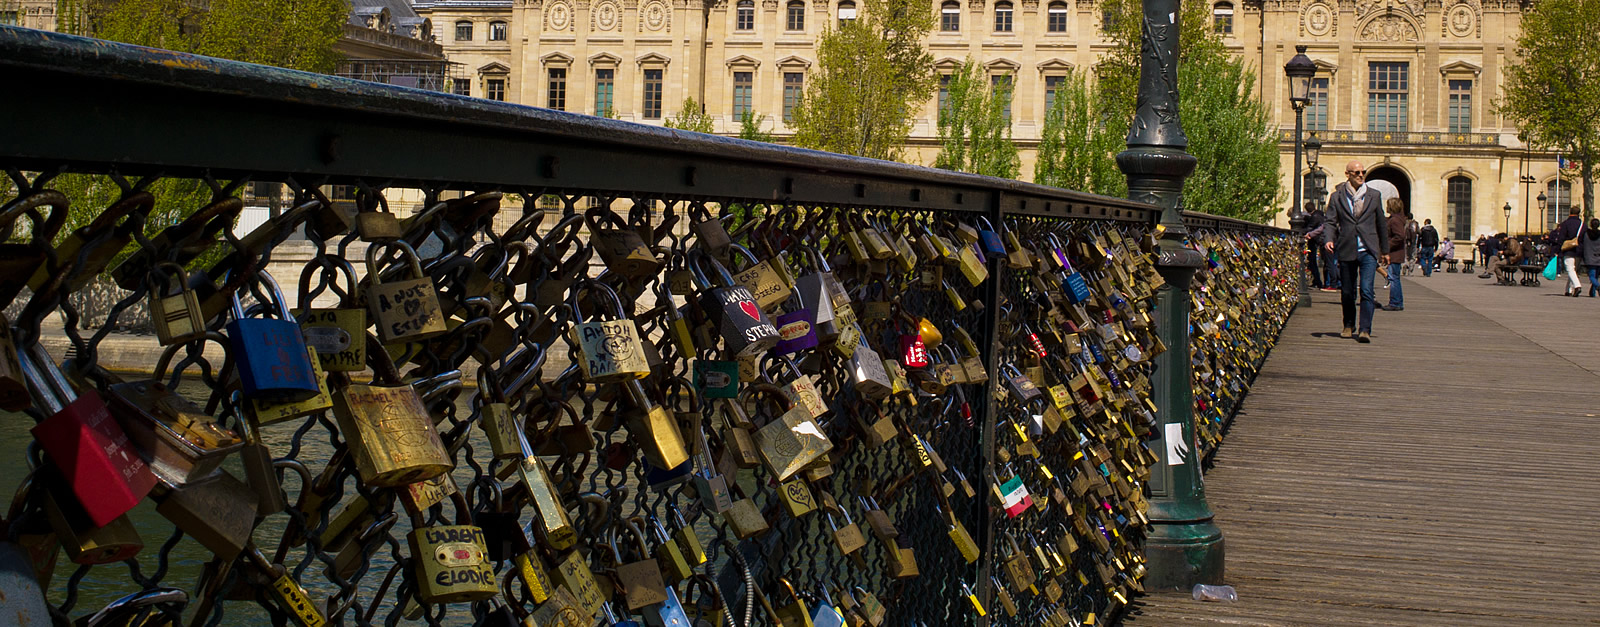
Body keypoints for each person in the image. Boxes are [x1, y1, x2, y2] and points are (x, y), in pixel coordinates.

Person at [1322, 161, 1388, 343]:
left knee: (1366, 290)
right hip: (1347, 247)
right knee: (1348, 292)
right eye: (1357, 172)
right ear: (1348, 174)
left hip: (1368, 249)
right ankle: (1348, 324)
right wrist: (1328, 238)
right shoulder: (1337, 197)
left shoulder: (1374, 195)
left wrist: (1385, 250)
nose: (1361, 175)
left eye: (1363, 172)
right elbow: (1330, 221)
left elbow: (1381, 223)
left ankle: (1365, 329)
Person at [1551, 206, 1584, 297]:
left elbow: (1561, 238)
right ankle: (1568, 290)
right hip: (1579, 250)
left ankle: (1577, 286)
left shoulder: (1566, 224)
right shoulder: (1582, 224)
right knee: (1573, 270)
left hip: (1569, 249)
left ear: (1570, 212)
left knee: (1569, 269)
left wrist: (1557, 250)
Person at [1383, 198, 1408, 311]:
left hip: (1394, 253)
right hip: (1396, 253)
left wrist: (1387, 246)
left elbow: (1400, 236)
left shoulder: (1394, 221)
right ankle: (1397, 301)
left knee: (1393, 278)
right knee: (1394, 277)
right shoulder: (1397, 219)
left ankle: (1395, 302)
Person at [1303, 201, 1326, 289]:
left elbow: (1311, 227)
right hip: (1318, 239)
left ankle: (1317, 281)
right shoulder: (1320, 215)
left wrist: (1304, 232)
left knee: (1312, 261)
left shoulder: (1315, 217)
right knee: (1315, 261)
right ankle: (1317, 281)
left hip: (1315, 240)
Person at [1581, 218, 1600, 297]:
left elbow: (1583, 245)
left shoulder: (1586, 234)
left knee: (1592, 276)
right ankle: (1592, 292)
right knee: (1596, 276)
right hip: (1598, 256)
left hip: (1589, 256)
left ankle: (1598, 286)